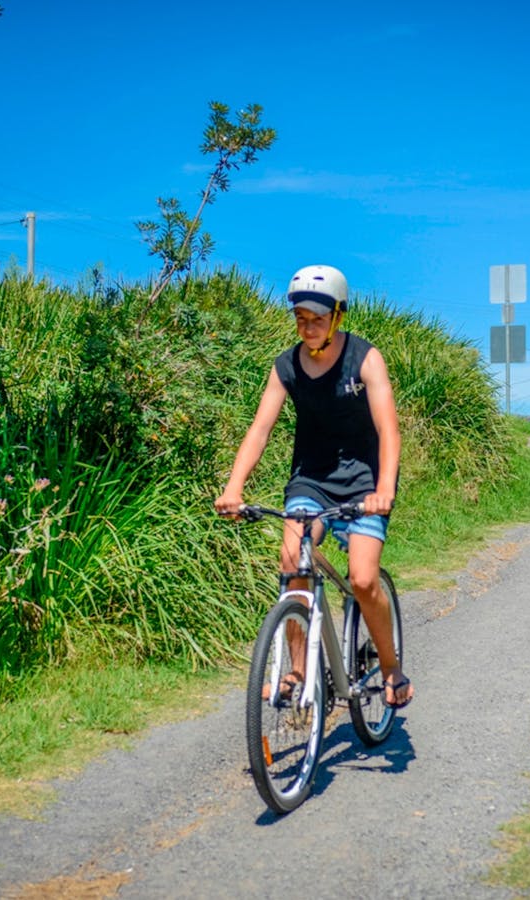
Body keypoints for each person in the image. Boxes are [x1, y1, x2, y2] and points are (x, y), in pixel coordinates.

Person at [214, 264, 412, 709]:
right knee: (292, 563)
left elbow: (389, 430)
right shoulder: (285, 366)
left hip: (364, 482)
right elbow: (260, 429)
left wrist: (383, 490)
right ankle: (298, 672)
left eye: (317, 318)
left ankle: (391, 667)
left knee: (362, 579)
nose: (308, 326)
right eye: (300, 317)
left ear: (338, 316)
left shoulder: (365, 359)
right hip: (311, 479)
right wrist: (234, 487)